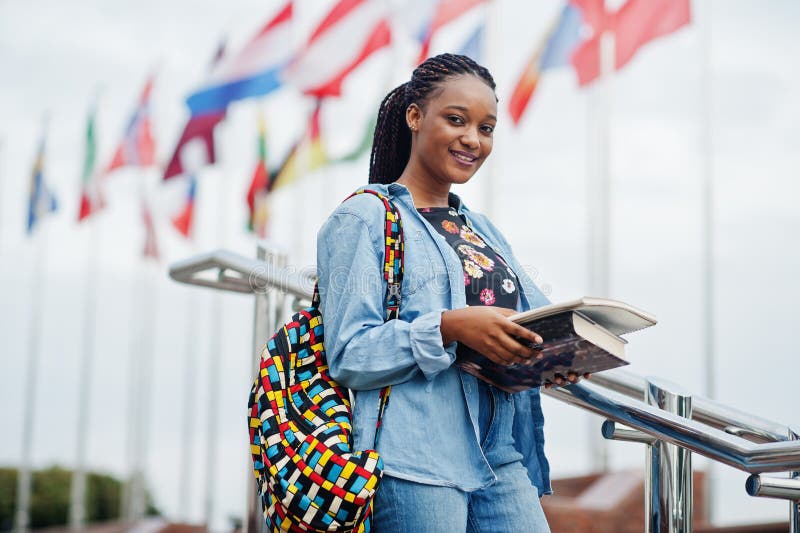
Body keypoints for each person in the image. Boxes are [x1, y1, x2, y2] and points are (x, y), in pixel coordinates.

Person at [316, 53, 578, 533]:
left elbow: (534, 316)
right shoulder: (363, 219)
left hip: (499, 452)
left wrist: (559, 353)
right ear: (415, 116)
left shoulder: (482, 230)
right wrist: (448, 326)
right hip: (413, 459)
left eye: (486, 128)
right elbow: (350, 353)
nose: (472, 139)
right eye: (456, 120)